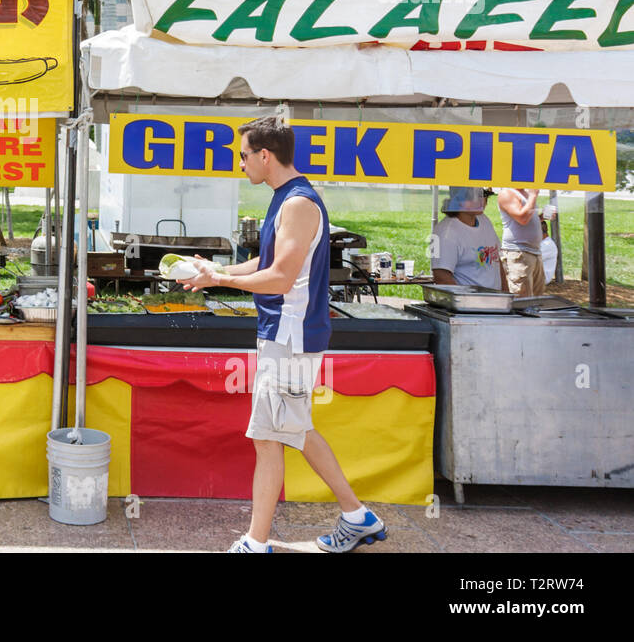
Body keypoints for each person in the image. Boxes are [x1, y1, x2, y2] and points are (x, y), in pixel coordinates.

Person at [180, 116, 386, 554]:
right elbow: (264, 262)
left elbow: (278, 278)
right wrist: (214, 272)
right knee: (291, 430)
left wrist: (223, 282)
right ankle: (357, 517)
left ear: (265, 155)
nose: (240, 164)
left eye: (243, 155)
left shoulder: (297, 204)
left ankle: (257, 542)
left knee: (270, 436)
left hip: (291, 338)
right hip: (283, 336)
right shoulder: (284, 198)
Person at [431, 187, 507, 291]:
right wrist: (466, 302)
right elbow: (441, 277)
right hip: (469, 304)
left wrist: (505, 294)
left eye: (482, 194)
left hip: (494, 302)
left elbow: (497, 262)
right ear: (457, 200)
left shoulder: (484, 220)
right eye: (471, 196)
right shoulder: (445, 233)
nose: (480, 200)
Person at [498, 187, 546, 297]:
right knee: (521, 297)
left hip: (535, 252)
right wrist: (533, 195)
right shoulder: (507, 193)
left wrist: (541, 217)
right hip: (518, 253)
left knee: (537, 298)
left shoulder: (525, 193)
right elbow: (522, 218)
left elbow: (526, 218)